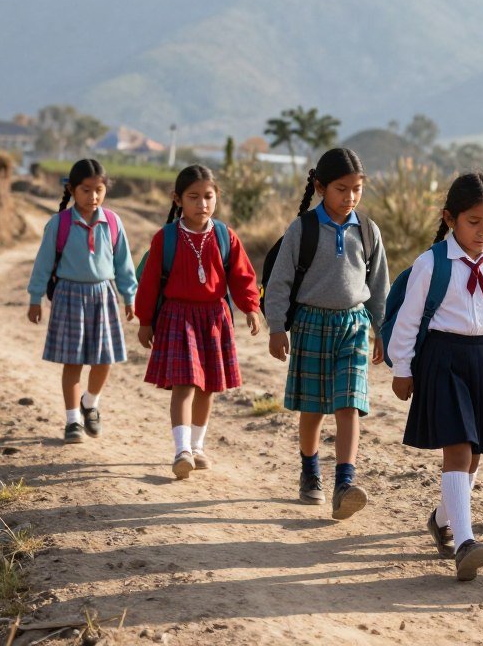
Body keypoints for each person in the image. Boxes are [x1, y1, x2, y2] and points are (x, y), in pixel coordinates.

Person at [389, 172, 483, 581]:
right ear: (450, 218)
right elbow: (407, 320)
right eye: (474, 221)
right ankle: (465, 542)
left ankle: (441, 520)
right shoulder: (431, 263)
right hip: (444, 360)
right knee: (457, 450)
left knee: (475, 453)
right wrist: (402, 368)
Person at [264, 148, 389, 519]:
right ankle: (309, 472)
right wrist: (276, 327)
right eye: (341, 189)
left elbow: (379, 286)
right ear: (320, 187)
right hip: (311, 324)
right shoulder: (302, 229)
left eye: (357, 189)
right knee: (314, 408)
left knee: (350, 403)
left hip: (354, 325)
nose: (350, 197)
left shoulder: (368, 231)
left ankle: (345, 483)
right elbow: (280, 282)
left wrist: (382, 330)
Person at [136, 165, 261, 479]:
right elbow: (150, 283)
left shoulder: (224, 236)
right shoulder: (165, 239)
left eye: (208, 196)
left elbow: (243, 276)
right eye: (193, 197)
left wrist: (251, 307)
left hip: (214, 318)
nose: (202, 204)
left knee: (208, 388)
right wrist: (145, 320)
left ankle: (198, 445)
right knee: (185, 384)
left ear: (217, 197)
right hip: (177, 317)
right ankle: (181, 450)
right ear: (177, 199)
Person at [27, 158, 136, 444]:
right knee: (73, 362)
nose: (94, 196)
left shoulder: (112, 222)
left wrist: (129, 296)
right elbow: (43, 263)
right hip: (68, 296)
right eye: (86, 190)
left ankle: (91, 402)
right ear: (72, 190)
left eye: (99, 189)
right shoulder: (59, 224)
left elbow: (124, 263)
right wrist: (35, 297)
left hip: (104, 295)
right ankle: (73, 419)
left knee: (105, 359)